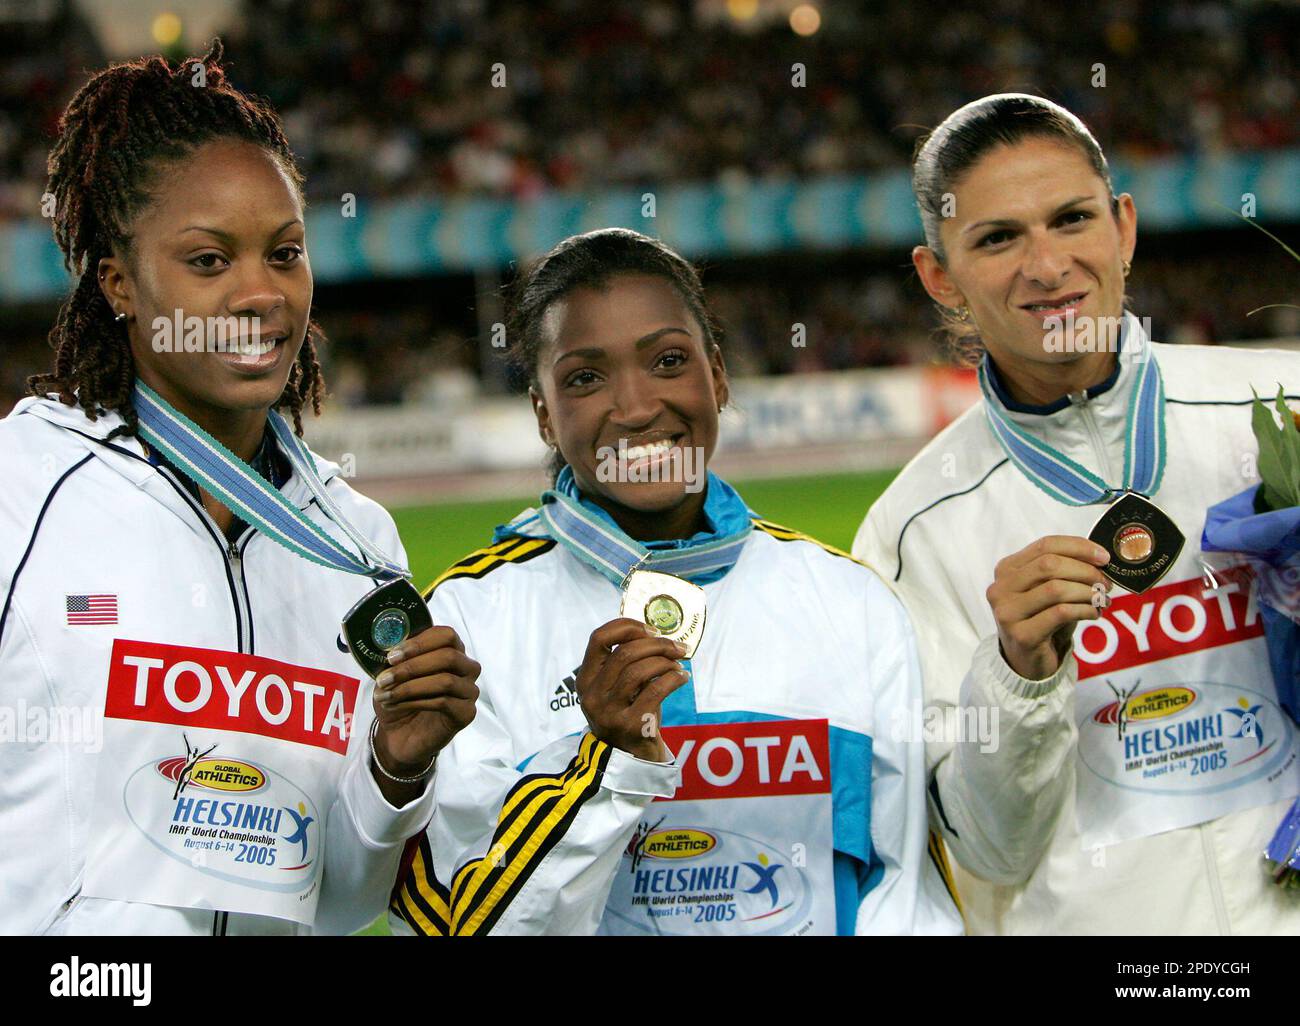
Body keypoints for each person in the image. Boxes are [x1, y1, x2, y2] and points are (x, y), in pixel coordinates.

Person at [0, 42, 480, 935]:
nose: (261, 294)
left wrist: (394, 770)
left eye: (285, 252)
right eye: (209, 261)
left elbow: (336, 899)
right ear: (119, 284)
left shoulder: (358, 545)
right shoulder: (19, 496)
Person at [386, 228, 963, 935]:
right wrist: (601, 767)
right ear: (543, 412)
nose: (634, 408)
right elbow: (455, 924)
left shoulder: (849, 600)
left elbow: (901, 888)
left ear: (716, 375)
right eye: (585, 378)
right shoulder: (469, 621)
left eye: (667, 361)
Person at [853, 93, 1300, 934]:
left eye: (1071, 219)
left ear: (1123, 227)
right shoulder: (909, 533)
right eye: (997, 238)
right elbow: (985, 851)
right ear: (937, 273)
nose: (1048, 265)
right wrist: (1015, 673)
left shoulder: (1276, 412)